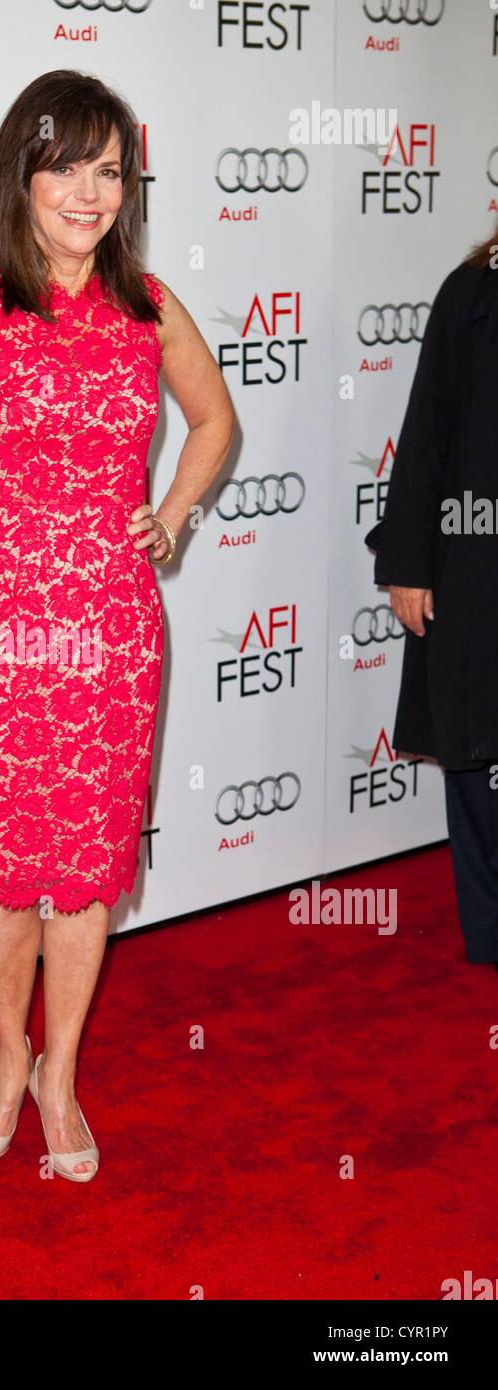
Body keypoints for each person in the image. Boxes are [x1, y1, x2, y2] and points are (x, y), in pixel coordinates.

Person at [0, 70, 234, 1180]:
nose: (88, 192)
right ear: (19, 178)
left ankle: (60, 1073)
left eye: (107, 170)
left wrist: (168, 519)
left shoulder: (149, 309)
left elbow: (215, 421)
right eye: (64, 167)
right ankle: (4, 1053)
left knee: (86, 871)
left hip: (114, 635)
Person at [364, 223, 498, 969]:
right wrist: (407, 564)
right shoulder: (471, 293)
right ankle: (490, 929)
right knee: (479, 749)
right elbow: (426, 434)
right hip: (475, 561)